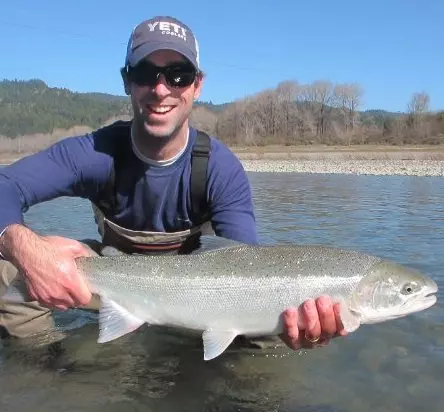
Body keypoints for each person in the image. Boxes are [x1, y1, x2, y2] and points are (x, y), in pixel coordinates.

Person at [0, 15, 347, 350]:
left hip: (200, 299)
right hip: (111, 283)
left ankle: (240, 398)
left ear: (197, 86)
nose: (161, 88)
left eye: (178, 75)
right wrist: (30, 251)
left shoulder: (219, 169)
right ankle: (46, 364)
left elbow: (248, 267)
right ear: (127, 81)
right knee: (8, 266)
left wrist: (298, 322)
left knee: (269, 320)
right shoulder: (94, 152)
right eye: (145, 73)